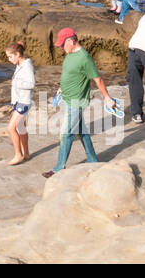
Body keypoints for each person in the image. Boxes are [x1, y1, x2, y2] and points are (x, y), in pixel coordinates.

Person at [42, 28, 117, 178]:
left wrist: (107, 98)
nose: (61, 48)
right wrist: (62, 87)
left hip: (77, 101)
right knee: (82, 131)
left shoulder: (85, 58)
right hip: (67, 98)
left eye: (63, 44)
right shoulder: (70, 54)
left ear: (71, 41)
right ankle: (92, 159)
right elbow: (70, 73)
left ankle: (58, 168)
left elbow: (98, 79)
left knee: (67, 134)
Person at [5, 41, 34, 165]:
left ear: (17, 54)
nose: (9, 59)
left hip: (24, 102)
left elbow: (31, 84)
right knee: (21, 127)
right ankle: (26, 153)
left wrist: (15, 83)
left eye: (10, 57)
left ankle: (18, 155)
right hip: (19, 101)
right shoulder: (20, 63)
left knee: (11, 128)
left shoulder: (26, 66)